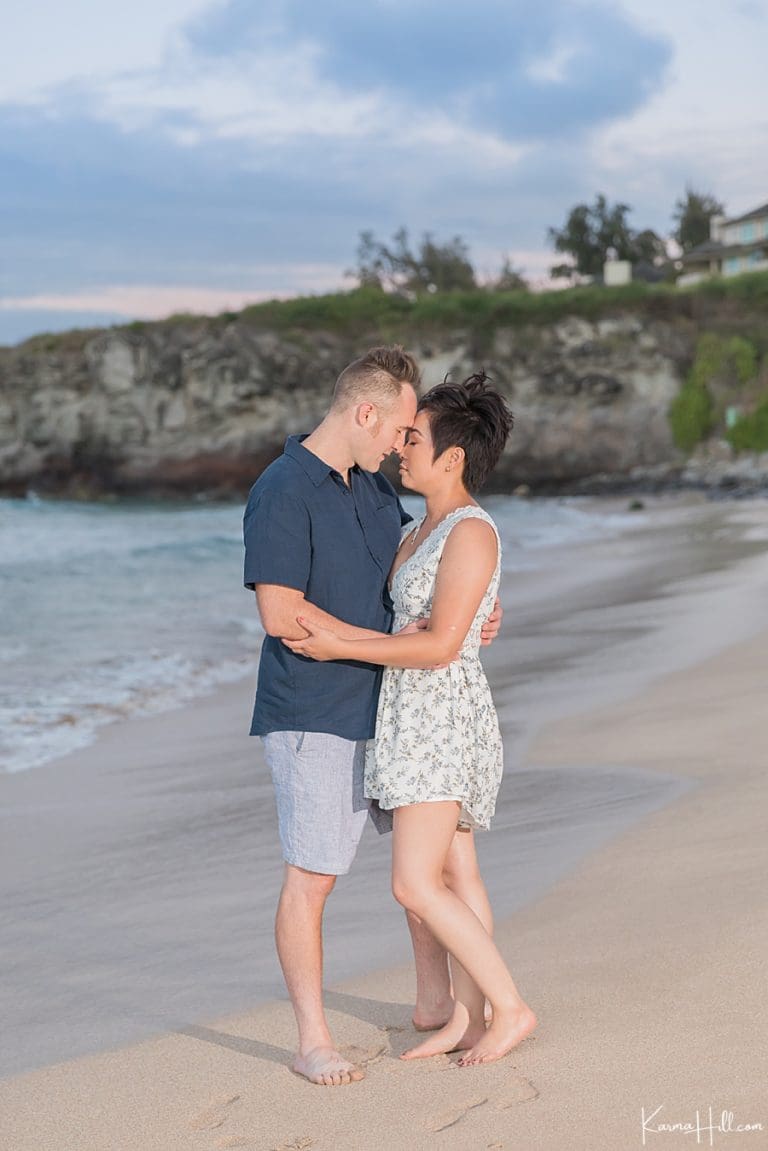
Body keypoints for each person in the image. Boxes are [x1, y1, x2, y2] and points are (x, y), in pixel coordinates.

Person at [243, 347, 502, 1086]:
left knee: (440, 868)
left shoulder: (377, 494)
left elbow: (420, 580)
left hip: (396, 710)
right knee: (314, 876)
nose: (400, 445)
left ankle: (436, 1002)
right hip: (316, 712)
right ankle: (313, 1038)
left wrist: (476, 610)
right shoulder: (283, 489)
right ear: (365, 413)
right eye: (398, 430)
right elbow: (280, 613)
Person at [285, 371, 536, 1066]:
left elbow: (438, 643)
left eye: (415, 438)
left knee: (414, 883)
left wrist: (335, 642)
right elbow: (426, 620)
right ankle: (469, 1016)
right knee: (455, 873)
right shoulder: (419, 526)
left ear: (452, 457)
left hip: (439, 720)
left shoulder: (470, 530)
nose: (401, 448)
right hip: (410, 715)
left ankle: (509, 1007)